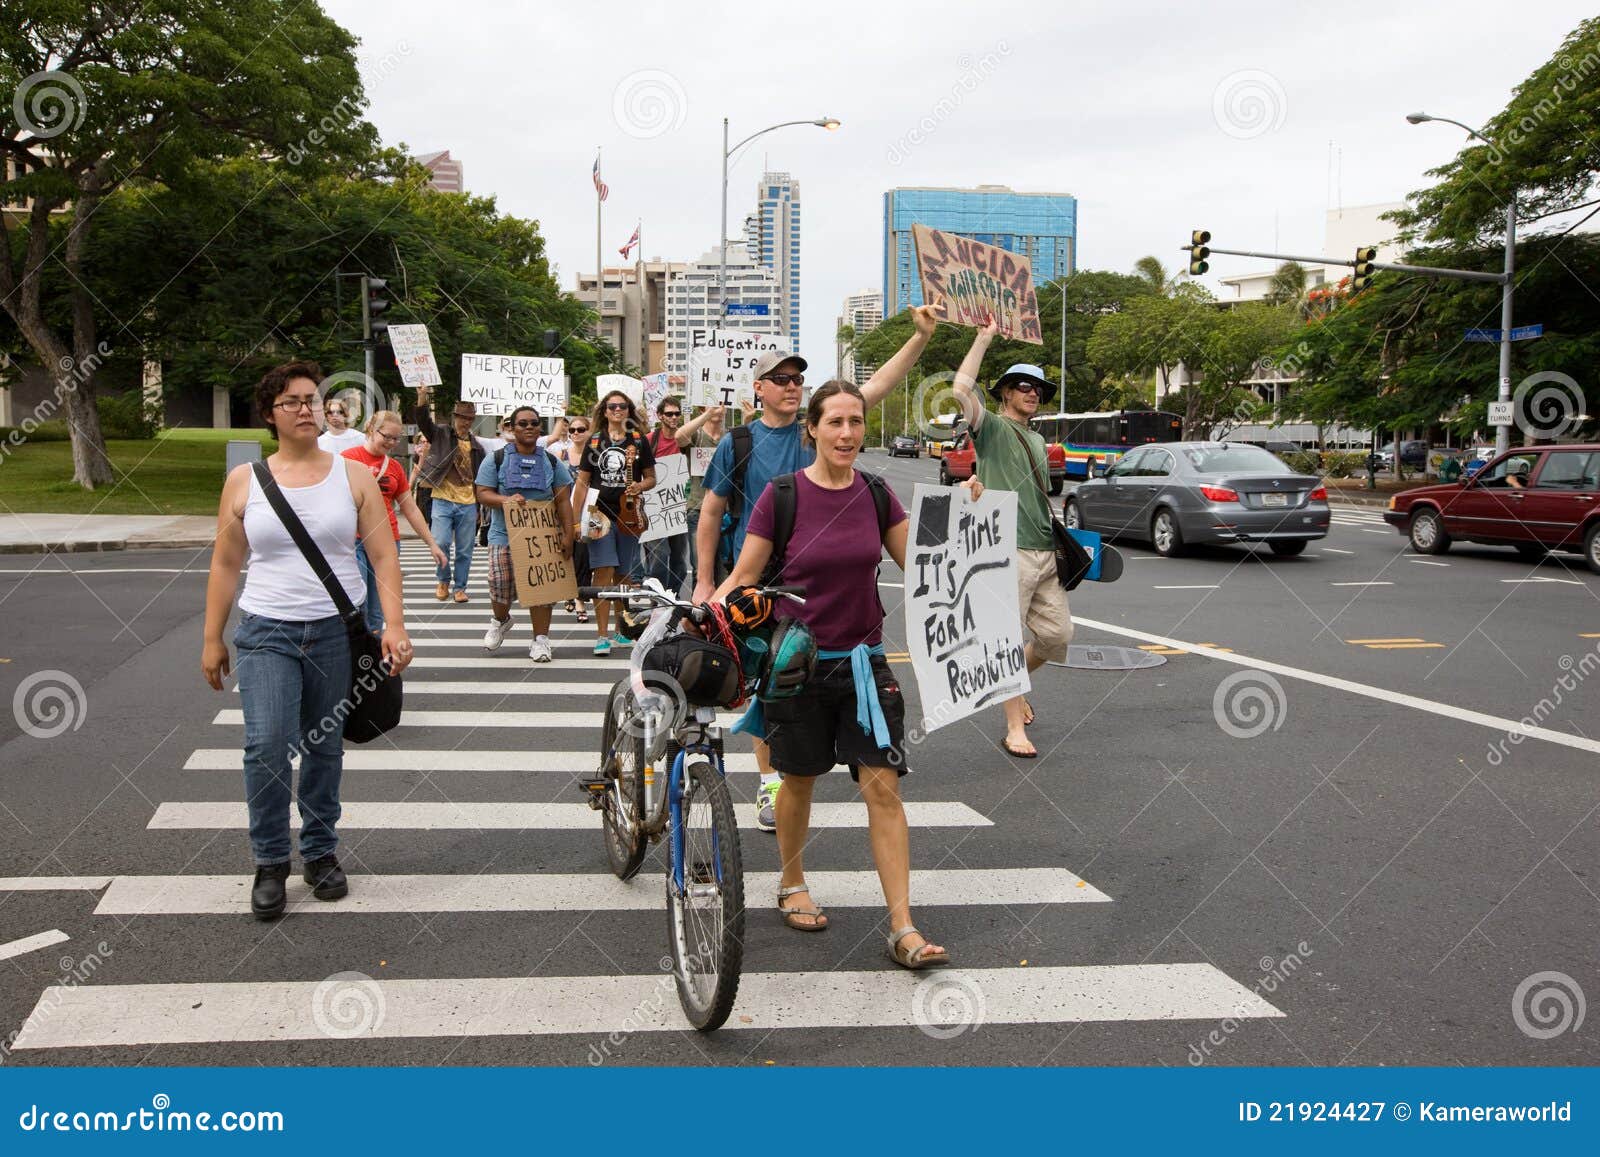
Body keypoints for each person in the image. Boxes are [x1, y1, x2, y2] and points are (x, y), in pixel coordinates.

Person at [715, 381, 957, 968]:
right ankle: (792, 880)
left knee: (885, 790)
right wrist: (704, 619)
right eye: (835, 423)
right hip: (795, 670)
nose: (847, 433)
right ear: (813, 431)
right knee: (798, 782)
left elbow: (923, 562)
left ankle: (903, 925)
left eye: (856, 421)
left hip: (865, 664)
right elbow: (744, 576)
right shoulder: (782, 496)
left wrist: (964, 509)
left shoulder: (877, 495)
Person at [693, 304, 940, 830]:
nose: (791, 384)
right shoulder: (738, 443)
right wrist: (706, 582)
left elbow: (880, 383)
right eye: (780, 378)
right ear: (757, 388)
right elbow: (711, 513)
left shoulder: (829, 427)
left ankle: (779, 786)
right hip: (757, 586)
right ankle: (770, 784)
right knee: (771, 682)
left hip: (825, 588)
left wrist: (921, 338)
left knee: (790, 680)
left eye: (798, 378)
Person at [201, 360, 413, 920]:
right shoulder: (244, 481)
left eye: (312, 400)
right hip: (265, 632)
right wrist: (212, 639)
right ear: (270, 414)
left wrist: (394, 624)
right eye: (291, 401)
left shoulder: (353, 476)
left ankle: (319, 852)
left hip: (334, 633)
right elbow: (225, 564)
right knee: (267, 747)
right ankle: (270, 862)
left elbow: (383, 555)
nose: (305, 409)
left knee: (323, 747)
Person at [950, 317, 1074, 759]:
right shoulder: (996, 429)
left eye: (1037, 388)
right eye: (1022, 385)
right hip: (1008, 551)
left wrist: (980, 482)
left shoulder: (1037, 440)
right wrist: (983, 338)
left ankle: (1016, 687)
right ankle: (1012, 727)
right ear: (1005, 392)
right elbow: (962, 391)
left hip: (1045, 551)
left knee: (1057, 638)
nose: (1031, 393)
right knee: (1003, 641)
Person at [475, 406, 576, 661]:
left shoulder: (551, 460)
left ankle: (540, 640)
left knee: (542, 589)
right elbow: (482, 493)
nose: (529, 427)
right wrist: (505, 500)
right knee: (500, 584)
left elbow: (563, 501)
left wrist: (568, 535)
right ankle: (500, 619)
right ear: (512, 428)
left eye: (534, 423)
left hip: (543, 536)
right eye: (523, 423)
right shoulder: (496, 459)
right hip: (503, 534)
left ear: (539, 427)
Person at [342, 411, 449, 633]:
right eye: (387, 437)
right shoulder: (346, 459)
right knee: (355, 602)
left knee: (377, 609)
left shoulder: (395, 468)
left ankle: (371, 655)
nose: (391, 443)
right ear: (371, 429)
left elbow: (410, 508)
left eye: (396, 438)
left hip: (387, 542)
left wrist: (432, 543)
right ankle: (353, 656)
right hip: (353, 540)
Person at [570, 390, 656, 655]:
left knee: (623, 575)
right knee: (603, 572)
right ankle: (601, 636)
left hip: (629, 515)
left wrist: (639, 486)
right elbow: (582, 482)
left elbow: (651, 478)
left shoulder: (640, 441)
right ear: (604, 411)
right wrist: (575, 522)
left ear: (629, 410)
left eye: (622, 406)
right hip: (599, 514)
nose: (617, 410)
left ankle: (621, 630)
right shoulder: (595, 442)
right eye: (612, 406)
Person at [644, 396, 726, 596]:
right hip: (657, 502)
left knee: (680, 563)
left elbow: (680, 438)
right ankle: (660, 597)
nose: (673, 418)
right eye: (669, 414)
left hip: (680, 502)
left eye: (677, 414)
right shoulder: (650, 440)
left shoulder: (692, 437)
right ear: (660, 416)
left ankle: (672, 595)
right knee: (660, 556)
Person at [412, 389, 484, 603]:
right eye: (462, 417)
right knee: (441, 542)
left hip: (469, 503)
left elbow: (481, 478)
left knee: (465, 549)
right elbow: (423, 421)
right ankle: (443, 580)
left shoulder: (477, 447)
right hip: (442, 499)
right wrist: (422, 397)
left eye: (469, 418)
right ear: (455, 417)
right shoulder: (441, 433)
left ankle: (460, 587)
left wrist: (480, 507)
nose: (465, 422)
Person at [563, 415, 593, 624]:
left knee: (585, 556)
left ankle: (579, 596)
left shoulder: (595, 456)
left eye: (580, 429)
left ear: (589, 431)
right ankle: (573, 594)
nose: (575, 433)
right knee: (569, 553)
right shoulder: (560, 455)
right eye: (572, 430)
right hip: (565, 510)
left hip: (589, 511)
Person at [409, 433, 432, 525]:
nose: (425, 444)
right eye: (422, 442)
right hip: (422, 487)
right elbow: (416, 471)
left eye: (427, 441)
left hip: (434, 489)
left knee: (432, 516)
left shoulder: (436, 455)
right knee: (424, 515)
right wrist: (409, 486)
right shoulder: (418, 454)